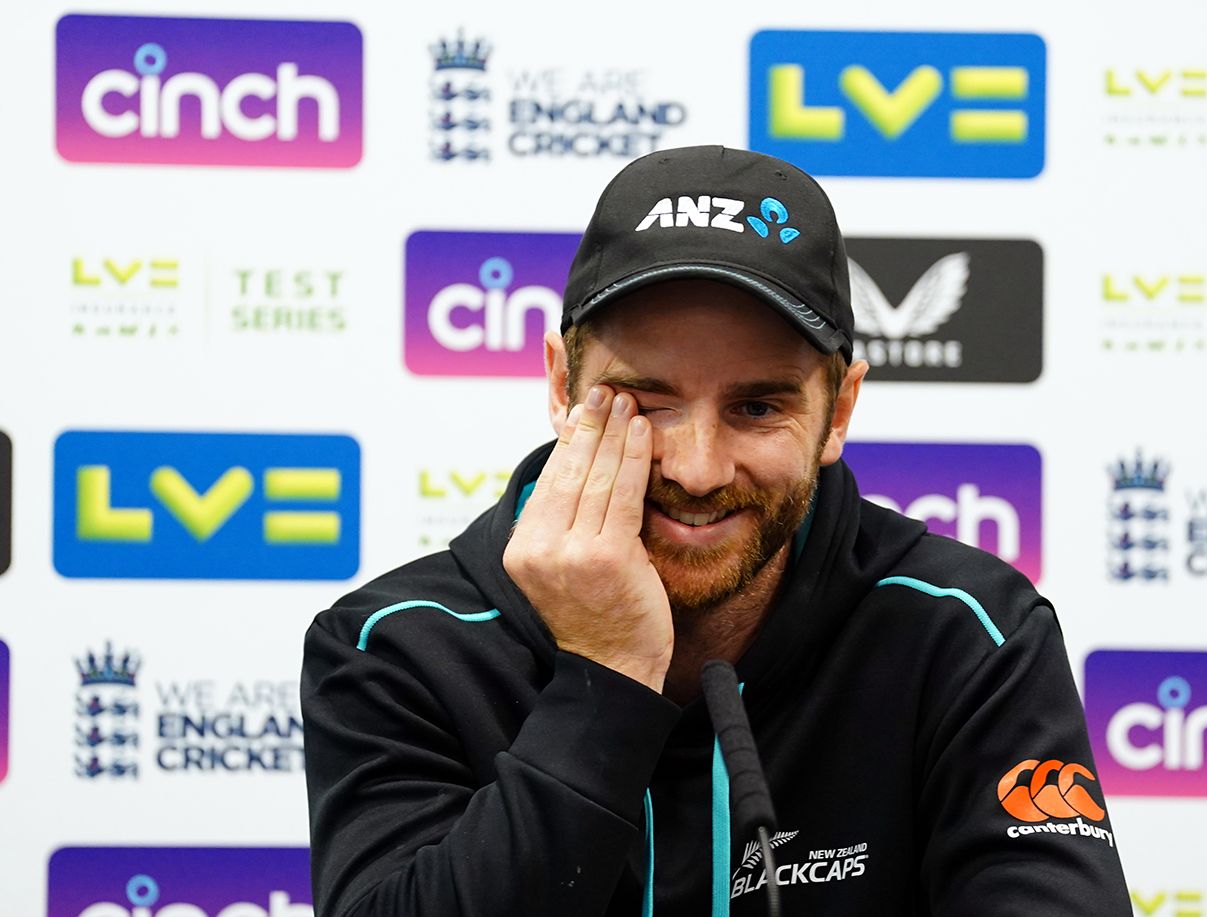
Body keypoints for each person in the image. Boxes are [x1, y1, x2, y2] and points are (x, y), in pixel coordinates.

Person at [301, 145, 1132, 915]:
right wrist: (608, 675)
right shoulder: (395, 644)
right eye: (647, 402)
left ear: (838, 411)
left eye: (758, 406)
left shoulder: (965, 632)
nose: (698, 468)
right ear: (561, 384)